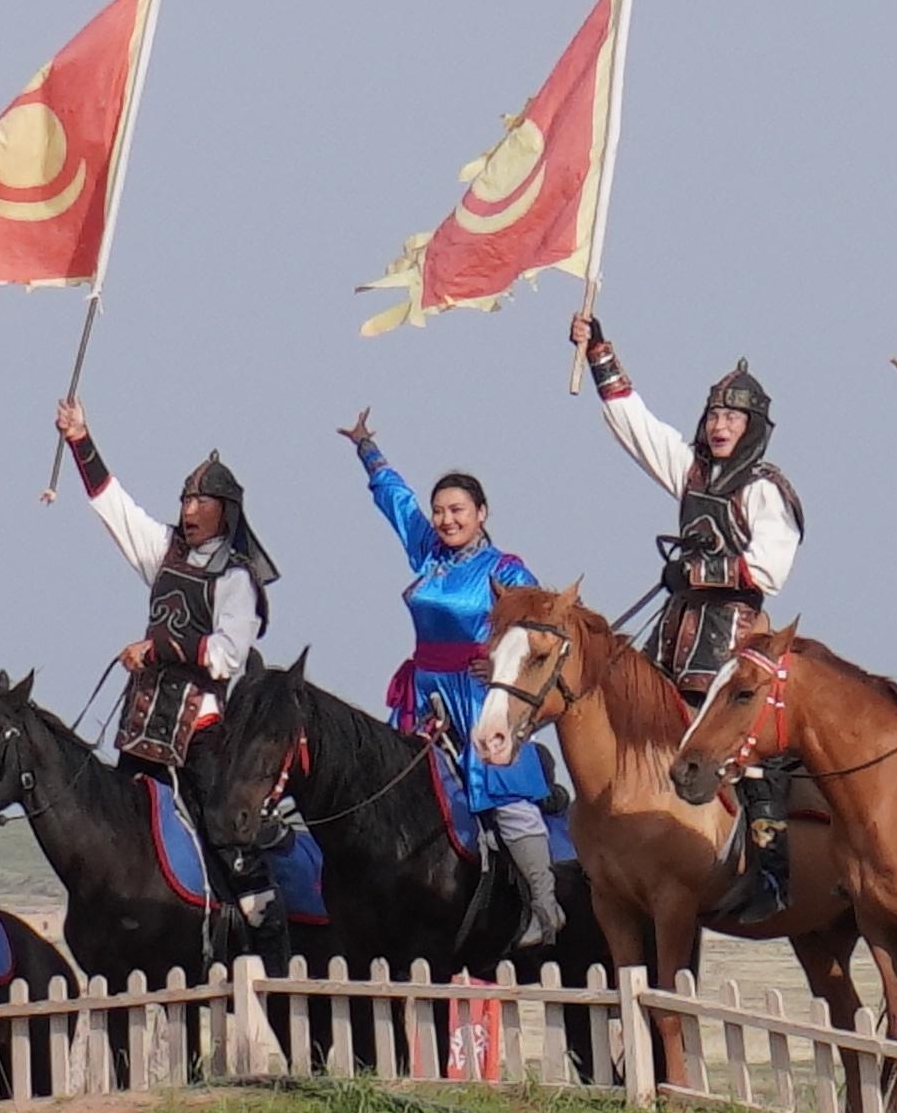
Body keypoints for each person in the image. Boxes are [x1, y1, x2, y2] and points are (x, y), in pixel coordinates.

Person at [578, 308, 809, 898]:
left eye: (732, 416)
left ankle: (770, 870)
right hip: (676, 630)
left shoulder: (765, 488)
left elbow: (771, 566)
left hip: (733, 637)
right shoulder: (692, 471)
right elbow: (638, 427)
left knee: (746, 742)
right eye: (714, 415)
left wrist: (700, 568)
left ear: (752, 426)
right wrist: (599, 353)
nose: (720, 425)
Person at [338, 418, 572, 951]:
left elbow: (539, 633)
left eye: (458, 510)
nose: (446, 519)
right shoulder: (429, 555)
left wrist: (497, 666)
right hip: (424, 697)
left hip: (478, 698)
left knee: (505, 799)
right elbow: (398, 504)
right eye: (440, 511)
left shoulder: (506, 570)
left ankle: (545, 906)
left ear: (482, 514)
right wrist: (367, 448)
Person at [54, 400, 285, 866]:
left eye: (201, 502)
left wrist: (157, 647)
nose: (189, 510)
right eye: (185, 500)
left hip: (199, 726)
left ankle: (256, 902)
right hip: (144, 722)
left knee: (224, 838)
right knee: (118, 833)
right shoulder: (167, 551)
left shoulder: (236, 577)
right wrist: (80, 439)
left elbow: (227, 654)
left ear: (226, 511)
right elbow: (116, 509)